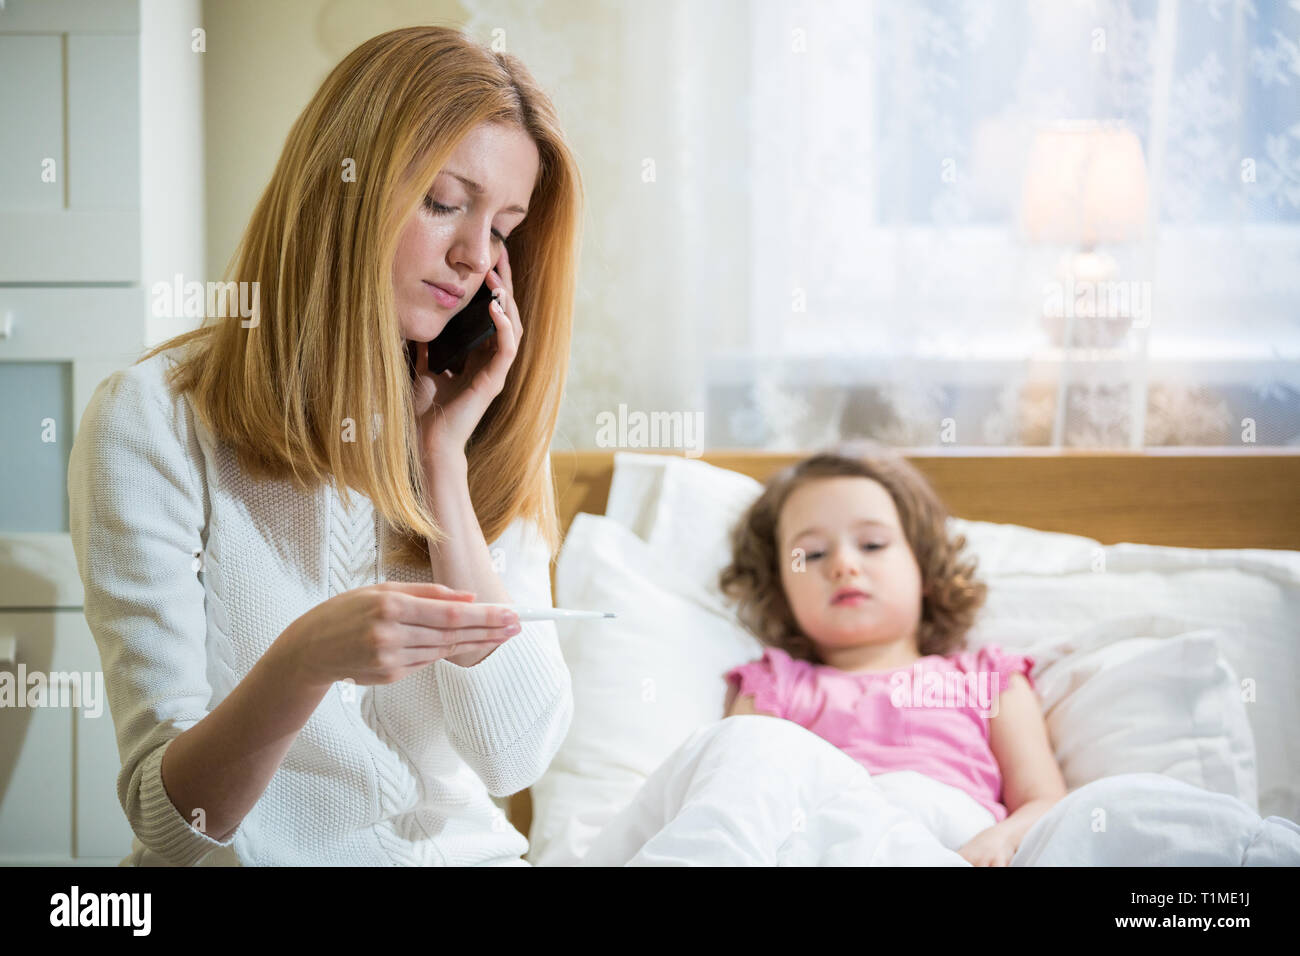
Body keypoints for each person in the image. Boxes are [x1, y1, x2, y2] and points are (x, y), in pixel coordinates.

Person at [67, 25, 584, 866]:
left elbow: (514, 757)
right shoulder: (153, 421)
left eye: (502, 229)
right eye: (445, 202)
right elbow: (170, 825)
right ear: (340, 191)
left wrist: (442, 469)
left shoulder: (482, 432)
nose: (470, 257)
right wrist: (301, 664)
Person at [578, 446, 1300, 866]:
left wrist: (1000, 841)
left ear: (921, 564)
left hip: (967, 842)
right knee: (747, 745)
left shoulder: (986, 677)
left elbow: (1043, 798)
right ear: (779, 583)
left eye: (871, 543)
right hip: (846, 835)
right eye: (813, 553)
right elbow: (742, 787)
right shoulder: (776, 685)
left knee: (1124, 808)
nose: (843, 567)